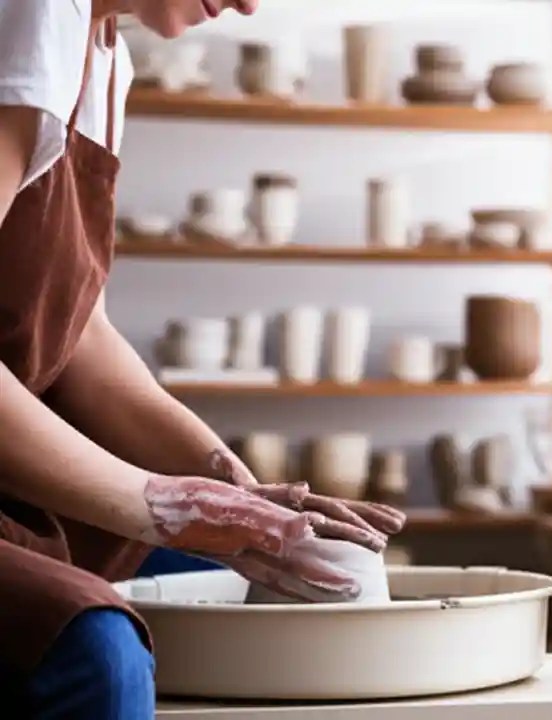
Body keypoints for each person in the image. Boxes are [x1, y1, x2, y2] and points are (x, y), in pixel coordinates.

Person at [0, 2, 407, 716]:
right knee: (94, 648)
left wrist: (237, 493)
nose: (249, 5)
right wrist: (161, 505)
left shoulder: (101, 54)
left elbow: (79, 336)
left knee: (240, 574)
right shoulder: (30, 17)